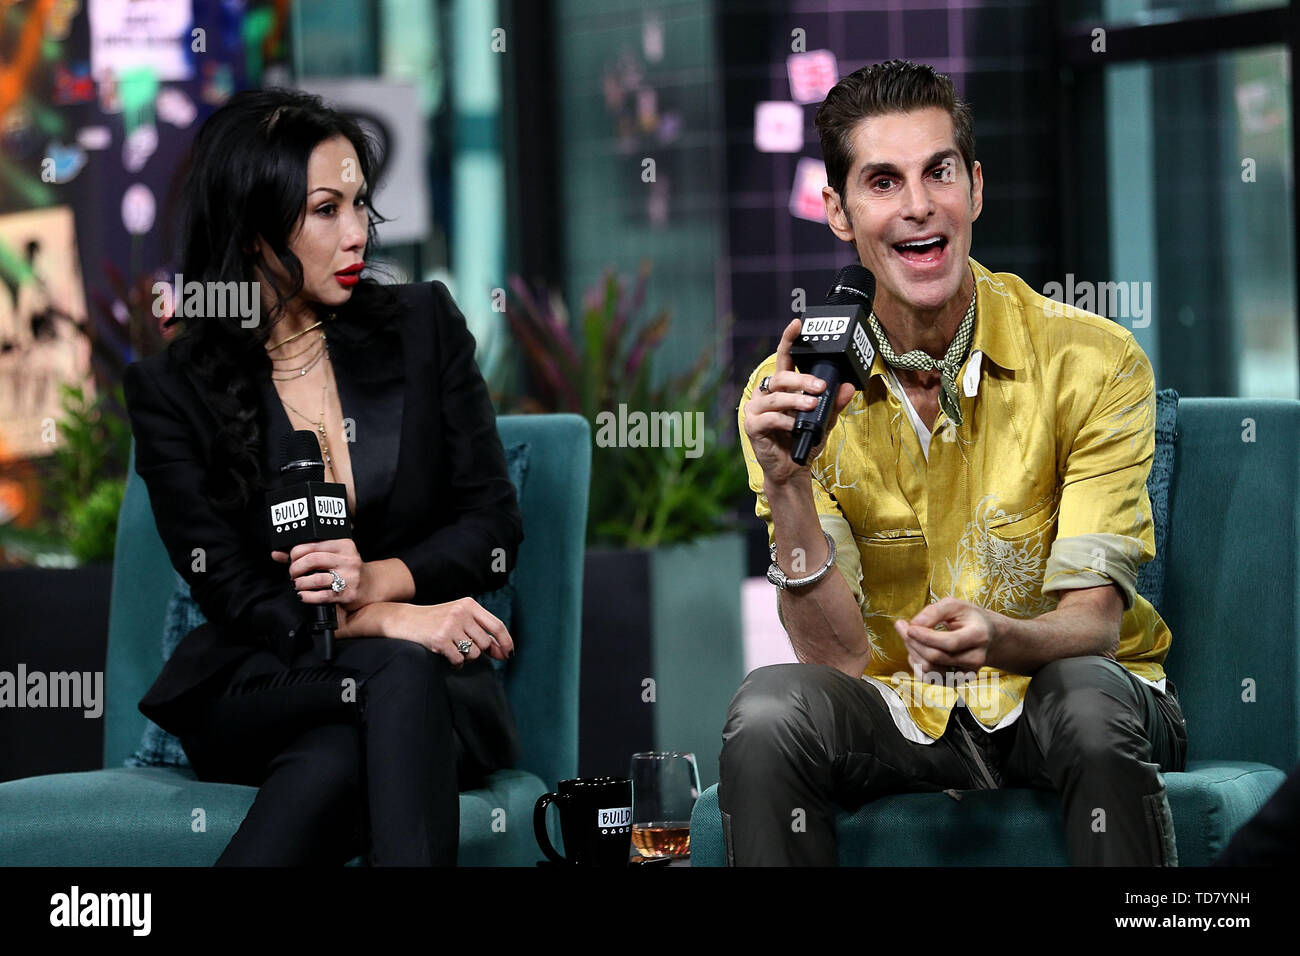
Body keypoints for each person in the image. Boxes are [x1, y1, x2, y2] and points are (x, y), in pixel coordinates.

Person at [725, 59, 1188, 866]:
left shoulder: (1093, 360)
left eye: (939, 172)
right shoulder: (791, 393)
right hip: (902, 711)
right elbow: (835, 661)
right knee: (769, 708)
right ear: (838, 212)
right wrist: (788, 484)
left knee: (1081, 699)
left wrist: (997, 636)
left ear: (974, 188)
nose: (918, 206)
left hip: (1070, 696)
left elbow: (1096, 625)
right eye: (882, 181)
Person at [122, 88, 523, 866]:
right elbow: (237, 595)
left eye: (361, 206)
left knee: (343, 750)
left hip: (425, 692)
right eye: (324, 210)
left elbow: (492, 524)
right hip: (266, 683)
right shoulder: (174, 391)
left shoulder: (421, 326)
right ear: (251, 230)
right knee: (393, 675)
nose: (357, 235)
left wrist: (374, 582)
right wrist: (388, 619)